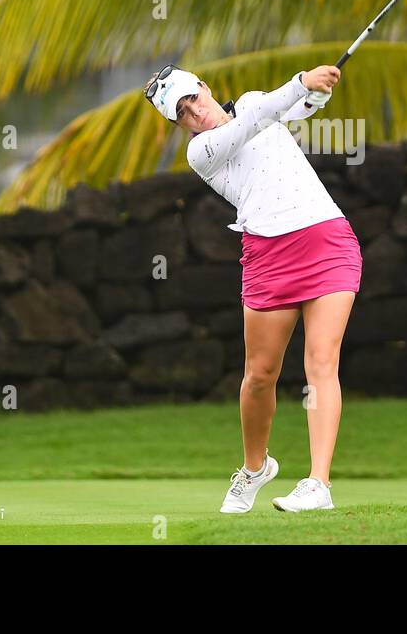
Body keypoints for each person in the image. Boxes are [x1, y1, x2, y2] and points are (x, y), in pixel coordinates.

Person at [144, 63, 362, 513]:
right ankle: (255, 468)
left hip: (327, 239)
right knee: (259, 377)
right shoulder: (202, 151)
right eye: (183, 114)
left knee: (322, 361)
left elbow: (290, 108)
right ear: (178, 123)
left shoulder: (250, 101)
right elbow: (258, 118)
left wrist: (314, 92)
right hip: (270, 257)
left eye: (195, 99)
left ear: (204, 86)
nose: (195, 113)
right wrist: (301, 82)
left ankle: (318, 484)